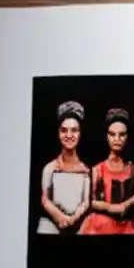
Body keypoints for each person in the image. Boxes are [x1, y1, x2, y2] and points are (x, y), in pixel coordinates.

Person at [79, 108, 134, 235]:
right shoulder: (98, 169)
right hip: (101, 224)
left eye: (122, 134)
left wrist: (126, 205)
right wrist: (111, 207)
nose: (117, 139)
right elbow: (89, 201)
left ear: (127, 136)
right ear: (107, 136)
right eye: (112, 134)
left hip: (127, 225)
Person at [37, 100, 90, 234]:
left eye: (74, 130)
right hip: (53, 226)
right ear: (58, 133)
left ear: (80, 133)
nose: (69, 135)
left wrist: (73, 219)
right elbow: (45, 200)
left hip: (77, 226)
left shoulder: (85, 171)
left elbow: (86, 203)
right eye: (64, 130)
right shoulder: (50, 168)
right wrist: (60, 218)